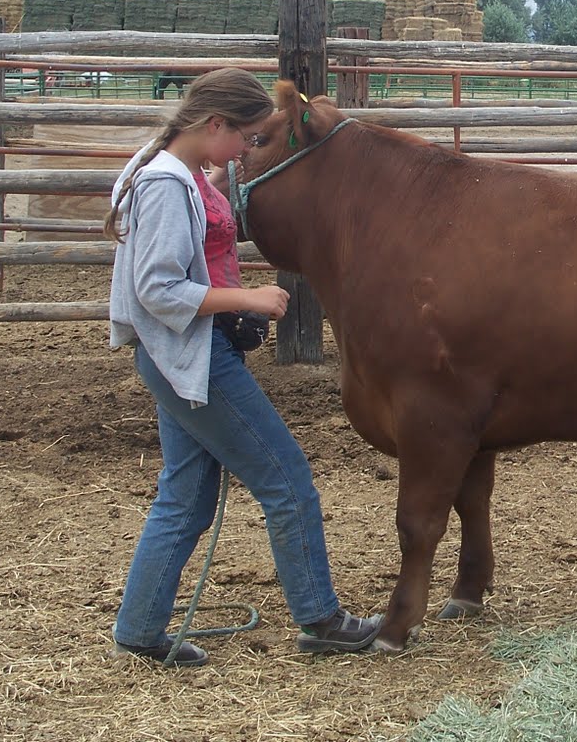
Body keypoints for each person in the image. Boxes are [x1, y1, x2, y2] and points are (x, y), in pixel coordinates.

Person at [105, 67, 380, 666]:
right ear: (214, 125)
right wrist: (247, 298)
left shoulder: (171, 172)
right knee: (287, 482)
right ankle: (321, 619)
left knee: (186, 497)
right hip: (192, 354)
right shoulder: (163, 186)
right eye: (245, 139)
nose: (243, 155)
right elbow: (158, 288)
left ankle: (140, 630)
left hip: (181, 354)